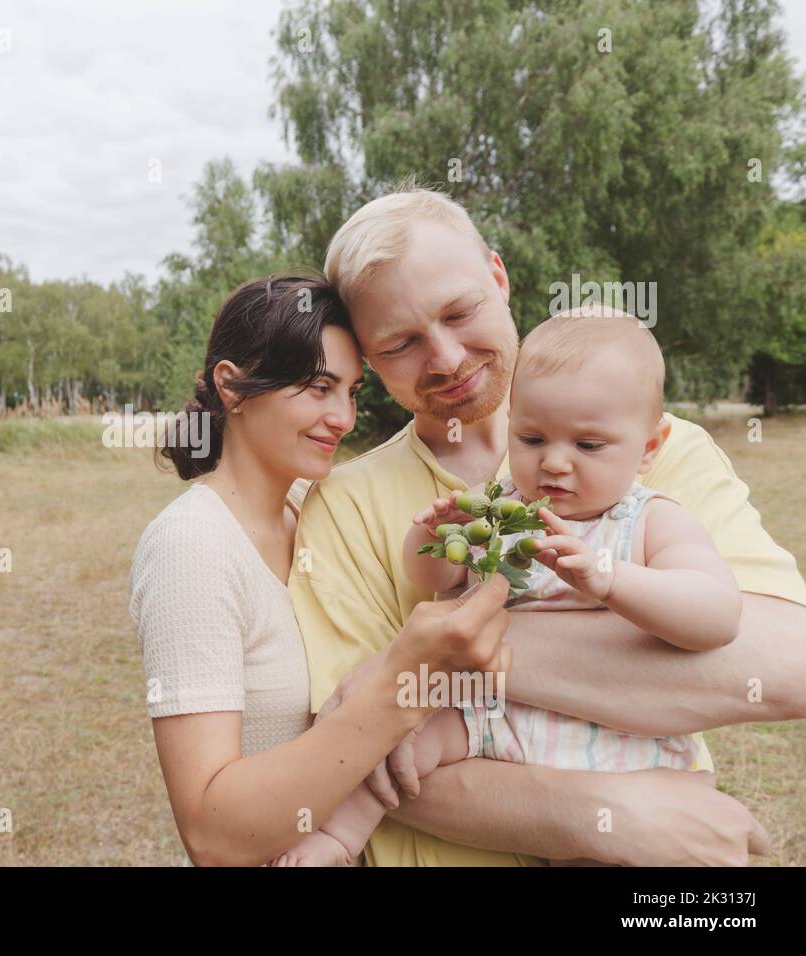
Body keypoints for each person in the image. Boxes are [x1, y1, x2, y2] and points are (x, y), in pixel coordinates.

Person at [293, 183, 804, 866]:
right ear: (368, 357)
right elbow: (350, 749)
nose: (444, 358)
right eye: (401, 342)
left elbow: (786, 665)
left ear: (498, 278)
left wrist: (431, 658)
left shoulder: (651, 450)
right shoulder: (346, 504)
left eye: (459, 311)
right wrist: (606, 816)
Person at [277, 309, 742, 866]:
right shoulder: (502, 508)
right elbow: (431, 578)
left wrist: (610, 577)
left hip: (619, 738)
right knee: (403, 740)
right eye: (532, 437)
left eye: (589, 446)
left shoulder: (650, 520)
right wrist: (433, 533)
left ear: (649, 447)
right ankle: (337, 838)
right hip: (495, 719)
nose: (554, 462)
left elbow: (716, 613)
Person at [129, 272, 512, 866]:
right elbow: (210, 832)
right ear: (232, 388)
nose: (343, 416)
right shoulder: (192, 545)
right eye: (317, 386)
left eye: (352, 391)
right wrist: (406, 681)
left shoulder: (308, 514)